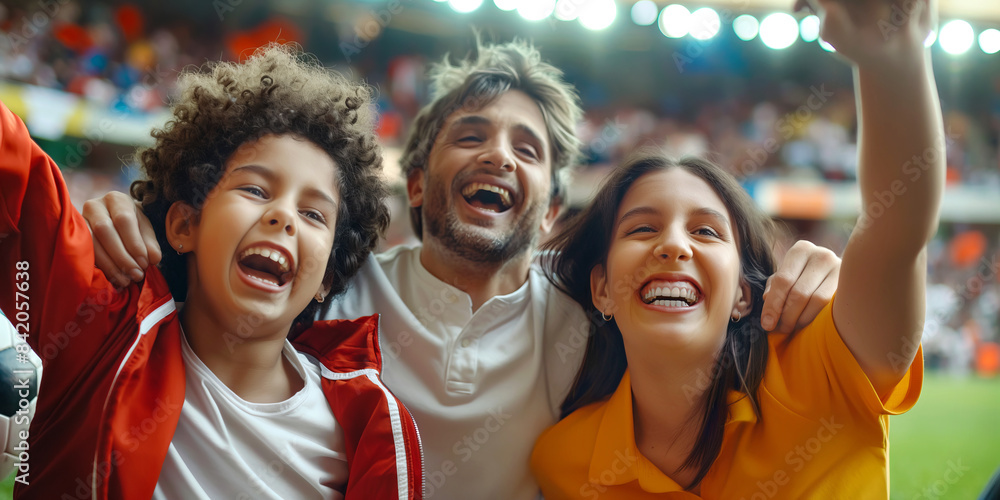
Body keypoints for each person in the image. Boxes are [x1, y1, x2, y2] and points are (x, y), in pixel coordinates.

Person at [82, 40, 843, 499]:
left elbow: (720, 345)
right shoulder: (322, 291)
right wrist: (126, 220)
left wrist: (810, 281)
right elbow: (203, 282)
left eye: (528, 148)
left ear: (550, 212)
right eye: (470, 134)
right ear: (416, 182)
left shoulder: (602, 323)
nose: (498, 155)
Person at [530, 0, 943, 496]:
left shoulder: (820, 370)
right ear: (601, 291)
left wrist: (889, 52)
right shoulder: (562, 461)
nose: (673, 246)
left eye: (706, 232)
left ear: (745, 295)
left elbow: (895, 231)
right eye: (642, 229)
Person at [0, 45, 423, 499]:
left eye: (314, 214)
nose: (283, 216)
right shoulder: (104, 327)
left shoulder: (371, 426)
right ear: (185, 225)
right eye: (256, 189)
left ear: (326, 279)